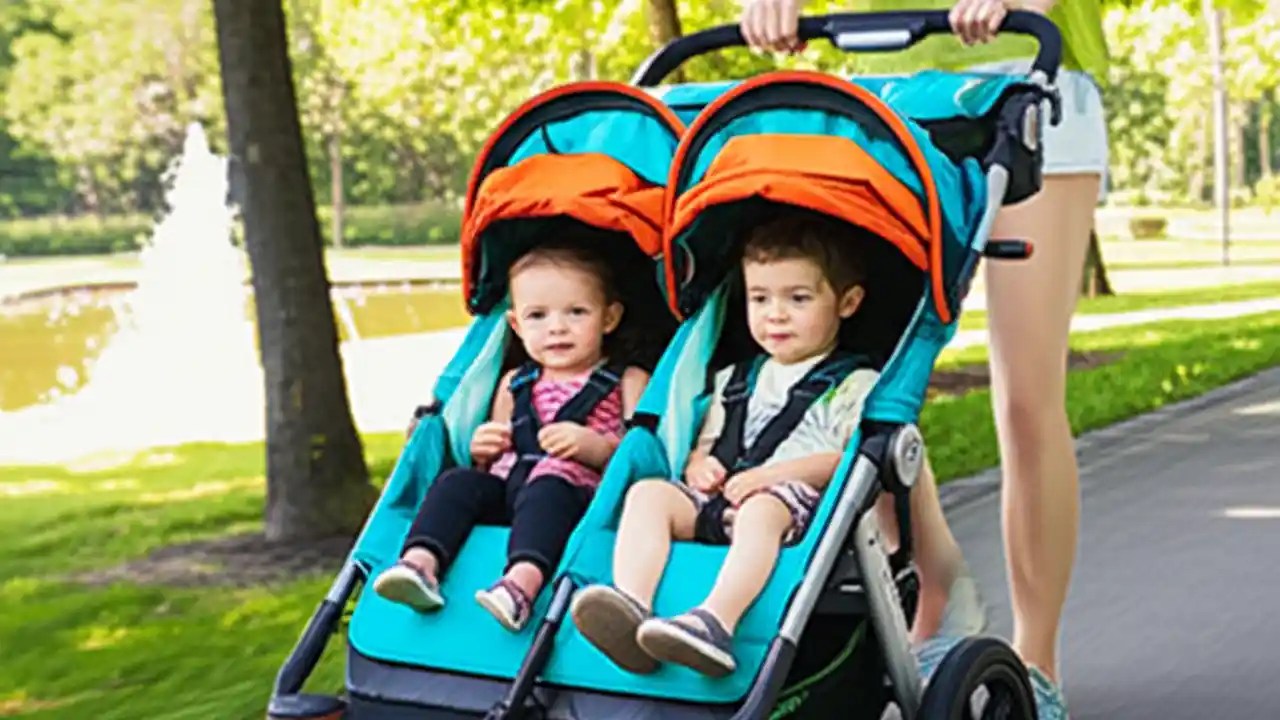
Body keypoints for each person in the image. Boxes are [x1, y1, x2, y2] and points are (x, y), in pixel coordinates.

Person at [740, 1, 1108, 717]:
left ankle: (1038, 662)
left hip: (1025, 76)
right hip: (885, 93)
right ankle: (935, 594)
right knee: (871, 383)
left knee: (1026, 396)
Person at [570, 211, 882, 677]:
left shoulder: (856, 383)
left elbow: (850, 458)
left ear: (848, 302)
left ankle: (715, 621)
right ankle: (631, 604)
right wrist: (699, 464)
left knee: (761, 509)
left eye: (797, 298)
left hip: (791, 502)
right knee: (648, 494)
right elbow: (711, 441)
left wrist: (768, 477)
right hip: (721, 495)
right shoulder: (734, 378)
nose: (775, 313)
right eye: (760, 298)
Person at [372, 239, 650, 632]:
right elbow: (497, 450)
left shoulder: (627, 380)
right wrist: (482, 447)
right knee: (457, 482)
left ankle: (521, 586)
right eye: (538, 315)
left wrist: (600, 448)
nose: (556, 327)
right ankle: (420, 564)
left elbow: (645, 454)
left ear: (609, 318)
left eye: (576, 312)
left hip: (575, 495)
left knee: (548, 486)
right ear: (516, 325)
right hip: (510, 487)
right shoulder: (513, 383)